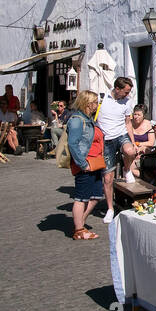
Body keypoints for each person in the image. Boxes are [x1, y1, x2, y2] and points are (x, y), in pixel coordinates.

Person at [66, 90, 104, 240]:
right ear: (88, 103)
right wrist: (82, 164)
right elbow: (73, 144)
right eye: (95, 102)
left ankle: (80, 224)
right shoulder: (77, 120)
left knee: (95, 196)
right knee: (81, 197)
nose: (97, 105)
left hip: (95, 163)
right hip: (85, 164)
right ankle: (79, 229)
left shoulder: (89, 119)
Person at [97, 76, 135, 223]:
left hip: (121, 134)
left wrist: (133, 141)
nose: (128, 95)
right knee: (108, 178)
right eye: (126, 92)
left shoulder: (127, 102)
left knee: (130, 151)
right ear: (117, 89)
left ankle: (127, 169)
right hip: (106, 139)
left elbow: (128, 122)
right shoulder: (102, 98)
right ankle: (110, 209)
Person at [123, 104, 156, 184]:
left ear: (143, 116)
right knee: (130, 161)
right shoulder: (129, 123)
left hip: (144, 151)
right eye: (135, 114)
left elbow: (151, 142)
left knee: (146, 151)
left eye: (139, 115)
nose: (136, 117)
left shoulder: (148, 125)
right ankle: (148, 179)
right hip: (132, 151)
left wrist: (139, 145)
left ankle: (149, 180)